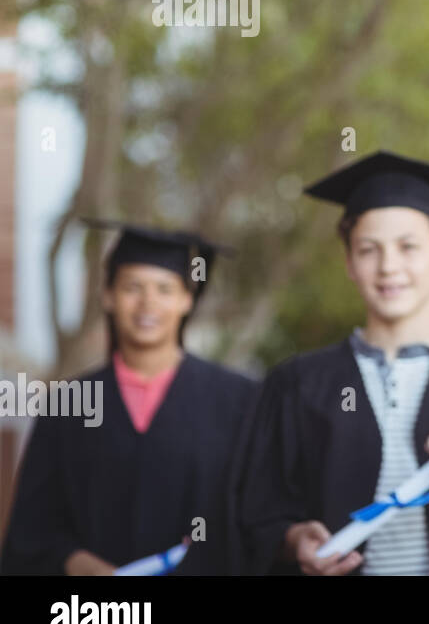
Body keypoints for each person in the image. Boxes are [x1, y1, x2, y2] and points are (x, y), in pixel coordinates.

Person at [235, 151, 429, 576]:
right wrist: (295, 542)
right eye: (369, 250)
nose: (389, 267)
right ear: (350, 263)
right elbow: (257, 513)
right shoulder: (297, 383)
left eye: (408, 247)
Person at [1, 221, 256, 576]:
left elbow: (257, 517)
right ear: (108, 296)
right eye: (132, 287)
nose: (147, 303)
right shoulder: (67, 405)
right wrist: (77, 563)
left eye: (165, 289)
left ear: (187, 299)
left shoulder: (239, 401)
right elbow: (30, 531)